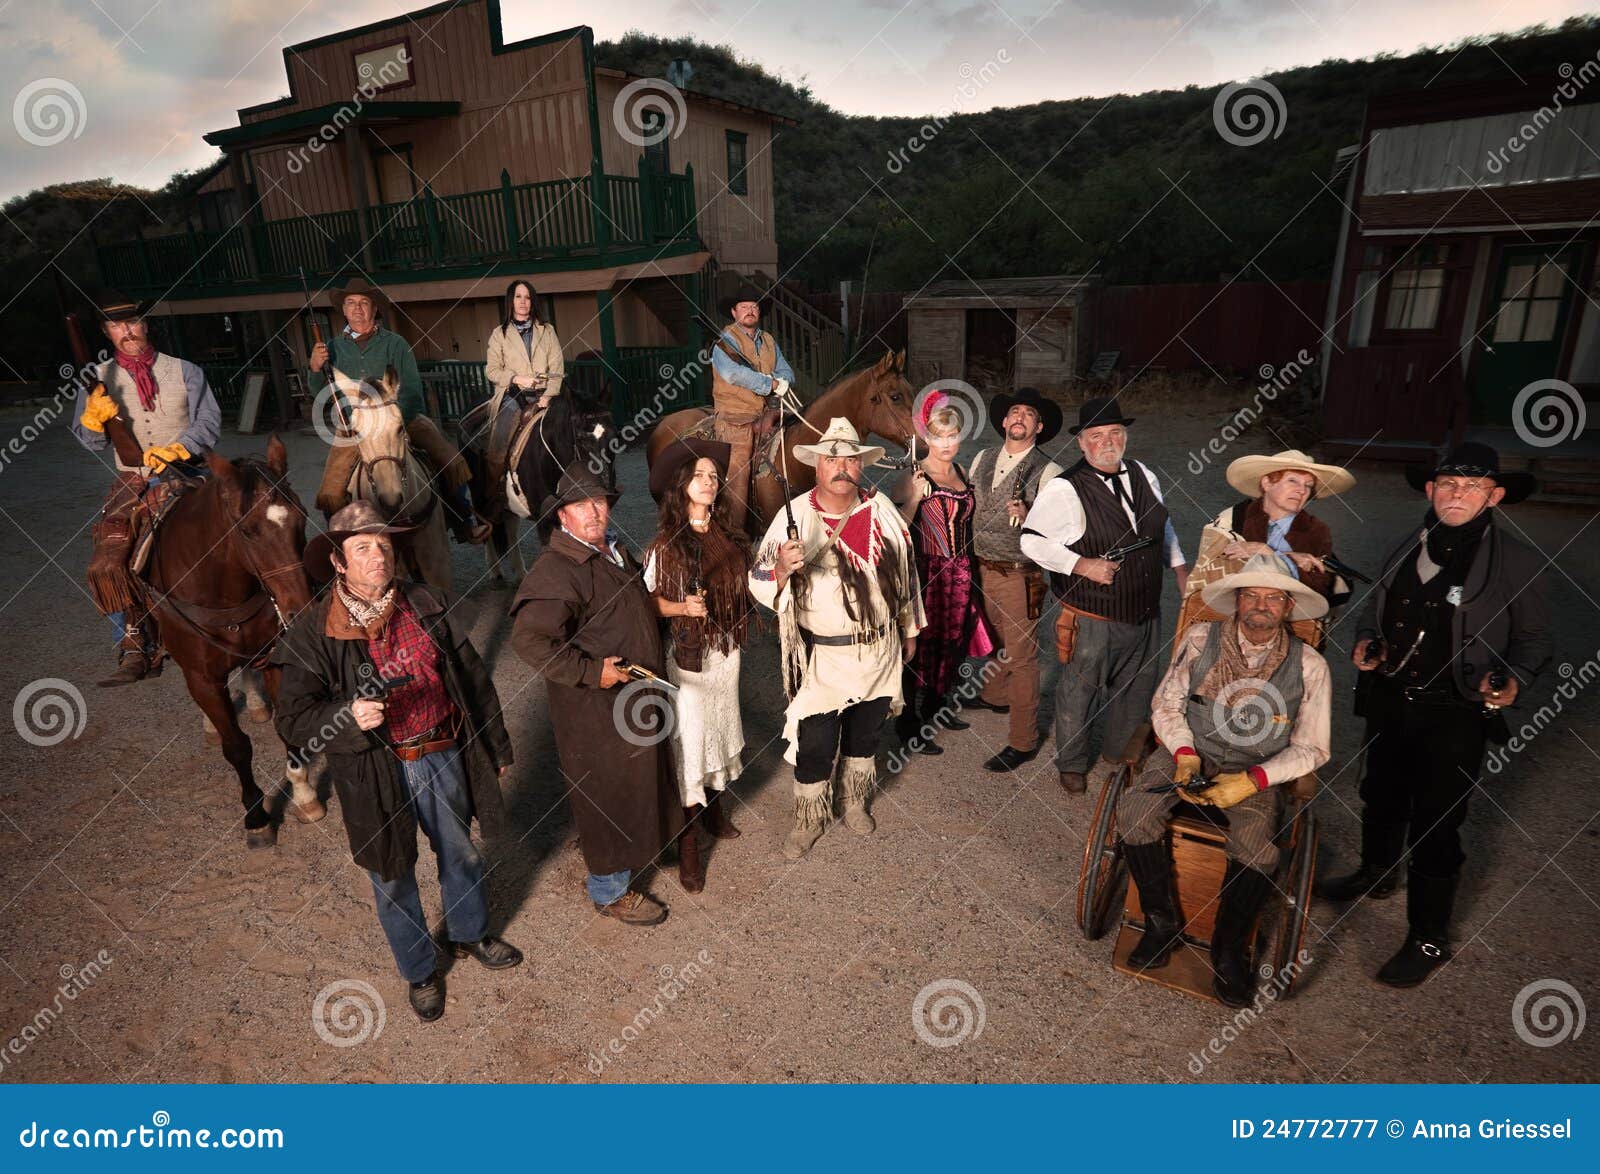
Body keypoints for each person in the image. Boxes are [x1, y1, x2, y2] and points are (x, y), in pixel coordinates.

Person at [272, 501, 520, 1023]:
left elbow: (474, 680)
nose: (377, 555)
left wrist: (496, 745)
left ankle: (470, 932)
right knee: (391, 875)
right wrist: (345, 716)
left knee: (462, 855)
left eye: (383, 544)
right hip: (373, 771)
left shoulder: (427, 602)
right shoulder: (314, 631)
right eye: (362, 547)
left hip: (442, 751)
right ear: (338, 561)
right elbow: (292, 721)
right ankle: (420, 969)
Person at [1318, 442, 1550, 988]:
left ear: (1494, 497)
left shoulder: (1515, 560)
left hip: (1456, 713)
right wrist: (1368, 641)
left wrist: (1515, 680)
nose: (1457, 494)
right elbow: (1373, 613)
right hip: (1392, 699)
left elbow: (1537, 639)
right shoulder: (1405, 546)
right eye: (1448, 483)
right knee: (1380, 791)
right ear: (1430, 490)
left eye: (1472, 487)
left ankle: (1428, 936)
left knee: (1438, 823)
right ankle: (1377, 870)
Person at [1118, 553, 1330, 1007]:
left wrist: (1253, 780)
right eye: (1251, 594)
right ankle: (1161, 922)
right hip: (1193, 749)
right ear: (1236, 600)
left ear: (1288, 606)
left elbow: (1314, 747)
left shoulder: (1310, 665)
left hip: (1257, 767)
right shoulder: (1200, 639)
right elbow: (1167, 704)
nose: (1261, 604)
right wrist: (1186, 755)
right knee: (1134, 811)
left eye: (1274, 597)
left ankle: (1229, 948)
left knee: (1256, 848)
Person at [748, 418, 925, 860]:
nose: (842, 467)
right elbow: (758, 577)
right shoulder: (795, 515)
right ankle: (809, 819)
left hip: (879, 650)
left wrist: (909, 627)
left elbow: (906, 572)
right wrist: (784, 569)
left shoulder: (881, 507)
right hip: (823, 657)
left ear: (861, 466)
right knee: (817, 742)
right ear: (817, 467)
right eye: (832, 459)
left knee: (866, 734)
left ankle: (854, 801)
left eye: (850, 458)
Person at [510, 465, 678, 924]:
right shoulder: (557, 569)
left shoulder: (611, 550)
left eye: (600, 502)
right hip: (595, 707)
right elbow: (529, 642)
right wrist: (589, 671)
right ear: (563, 516)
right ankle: (608, 890)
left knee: (638, 780)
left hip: (633, 698)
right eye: (582, 504)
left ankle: (641, 849)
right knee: (608, 790)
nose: (595, 512)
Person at [1020, 396, 1189, 793]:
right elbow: (1031, 541)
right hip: (1093, 614)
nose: (1108, 442)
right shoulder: (1065, 488)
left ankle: (1118, 752)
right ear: (1082, 442)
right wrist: (1082, 565)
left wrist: (1180, 569)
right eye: (1097, 436)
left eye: (1115, 432)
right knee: (1080, 689)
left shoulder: (1144, 473)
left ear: (1125, 436)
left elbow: (1160, 527)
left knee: (1137, 686)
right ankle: (1073, 762)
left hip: (1145, 609)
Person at [72, 293, 221, 686]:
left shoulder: (186, 370)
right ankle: (133, 644)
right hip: (133, 479)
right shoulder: (97, 380)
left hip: (188, 471)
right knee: (108, 558)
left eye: (134, 323)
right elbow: (89, 442)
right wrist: (93, 418)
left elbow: (209, 422)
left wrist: (181, 447)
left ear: (146, 326)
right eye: (118, 326)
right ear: (107, 332)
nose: (128, 332)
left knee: (250, 526)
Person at [643, 438, 753, 892]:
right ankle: (688, 843)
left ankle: (715, 809)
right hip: (688, 661)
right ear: (681, 485)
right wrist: (679, 608)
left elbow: (749, 588)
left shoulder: (731, 537)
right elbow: (646, 602)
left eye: (713, 476)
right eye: (699, 475)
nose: (708, 482)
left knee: (720, 728)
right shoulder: (663, 545)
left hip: (727, 656)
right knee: (690, 739)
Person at [309, 277, 488, 543]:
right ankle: (340, 539)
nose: (357, 308)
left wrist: (392, 421)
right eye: (351, 303)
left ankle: (463, 520)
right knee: (331, 487)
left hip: (399, 419)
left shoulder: (396, 344)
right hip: (355, 427)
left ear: (374, 309)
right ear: (344, 310)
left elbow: (413, 391)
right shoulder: (331, 348)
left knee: (448, 457)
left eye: (364, 302)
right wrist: (314, 368)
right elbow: (319, 392)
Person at [891, 394, 996, 754]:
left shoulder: (961, 472)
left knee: (953, 644)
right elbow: (895, 530)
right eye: (939, 436)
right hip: (926, 571)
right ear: (927, 439)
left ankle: (936, 708)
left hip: (961, 570)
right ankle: (907, 723)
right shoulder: (912, 475)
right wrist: (915, 500)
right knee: (918, 646)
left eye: (953, 436)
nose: (947, 444)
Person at [966, 387, 1063, 771]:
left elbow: (1060, 531)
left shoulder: (1049, 471)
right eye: (1014, 412)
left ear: (1038, 427)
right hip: (982, 567)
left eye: (1029, 414)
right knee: (995, 639)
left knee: (1022, 657)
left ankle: (1022, 741)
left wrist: (1031, 515)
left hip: (1020, 574)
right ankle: (995, 695)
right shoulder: (981, 459)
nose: (1020, 417)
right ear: (1005, 421)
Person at [1202, 449, 1356, 603]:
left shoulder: (1316, 530)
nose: (1302, 490)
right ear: (1267, 483)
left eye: (1308, 485)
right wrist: (1286, 560)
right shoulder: (1233, 518)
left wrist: (1274, 555)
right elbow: (1209, 570)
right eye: (1292, 481)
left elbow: (1321, 589)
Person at [709, 284, 796, 533]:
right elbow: (733, 374)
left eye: (754, 306)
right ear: (734, 312)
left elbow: (786, 371)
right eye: (744, 306)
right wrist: (770, 384)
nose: (750, 310)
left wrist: (783, 382)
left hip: (766, 411)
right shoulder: (723, 342)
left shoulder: (768, 340)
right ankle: (736, 533)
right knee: (739, 472)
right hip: (735, 416)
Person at [484, 278, 564, 419]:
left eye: (527, 297)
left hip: (544, 394)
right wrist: (516, 378)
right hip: (513, 395)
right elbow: (491, 371)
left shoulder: (548, 330)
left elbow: (556, 371)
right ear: (511, 301)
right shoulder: (499, 334)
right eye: (518, 296)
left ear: (532, 302)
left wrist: (548, 395)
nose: (523, 301)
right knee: (505, 427)